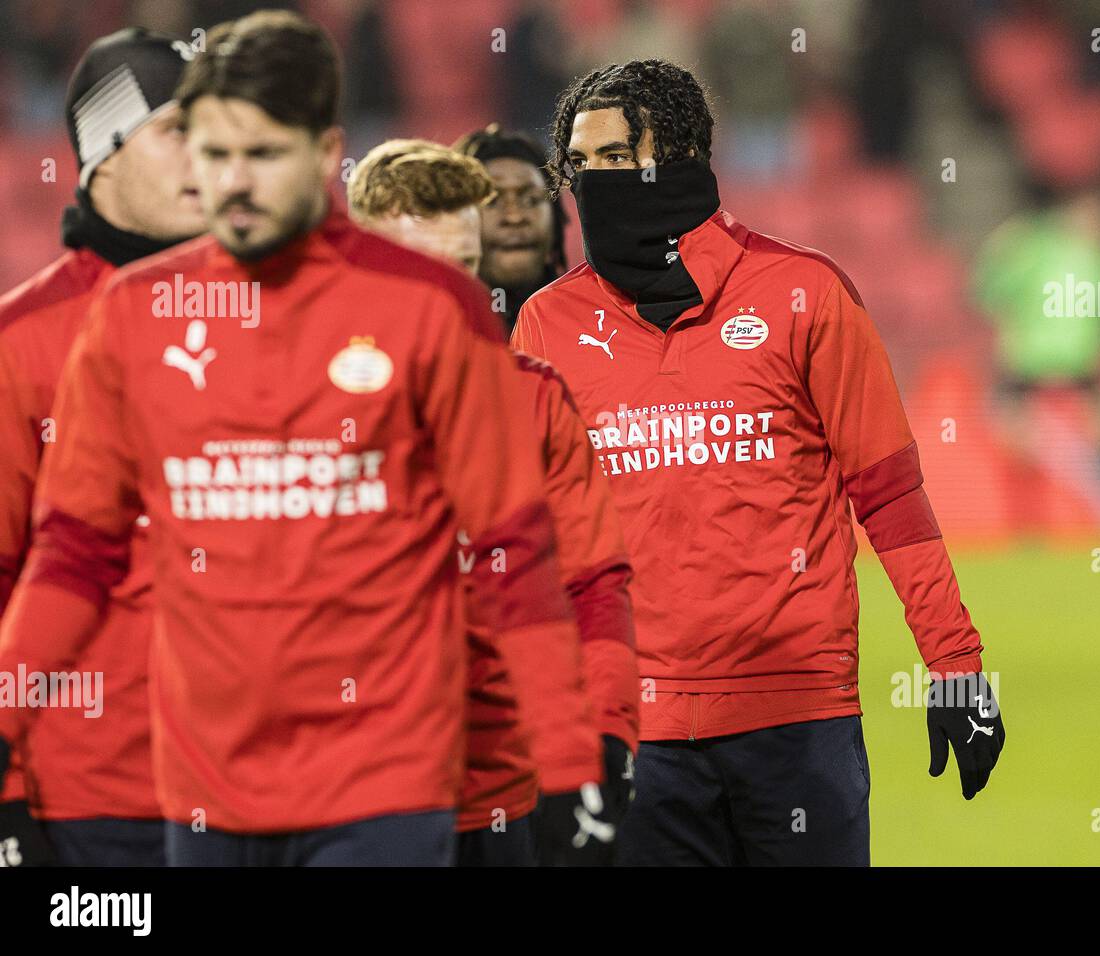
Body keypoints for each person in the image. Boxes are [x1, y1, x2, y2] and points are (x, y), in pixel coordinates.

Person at [0, 10, 602, 867]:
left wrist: (569, 756)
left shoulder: (430, 306)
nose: (233, 183)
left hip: (382, 785)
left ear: (325, 157)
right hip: (201, 796)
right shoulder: (130, 318)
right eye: (212, 154)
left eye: (263, 154)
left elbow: (511, 546)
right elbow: (72, 551)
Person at [512, 60, 1007, 866]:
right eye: (579, 165)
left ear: (673, 155)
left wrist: (954, 665)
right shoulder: (546, 323)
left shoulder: (803, 292)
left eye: (612, 158)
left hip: (798, 719)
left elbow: (889, 494)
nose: (589, 183)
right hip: (637, 731)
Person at [348, 138, 639, 866]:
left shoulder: (533, 399)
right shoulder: (290, 405)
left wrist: (603, 737)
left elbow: (593, 581)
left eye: (469, 271)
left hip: (504, 798)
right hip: (347, 797)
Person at [0, 28, 205, 867]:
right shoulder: (22, 343)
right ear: (103, 157)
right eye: (177, 132)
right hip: (93, 801)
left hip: (265, 791)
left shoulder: (282, 317)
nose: (211, 157)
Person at [454, 124, 568, 335]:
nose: (514, 217)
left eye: (531, 199)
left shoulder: (592, 321)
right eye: (491, 201)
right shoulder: (427, 331)